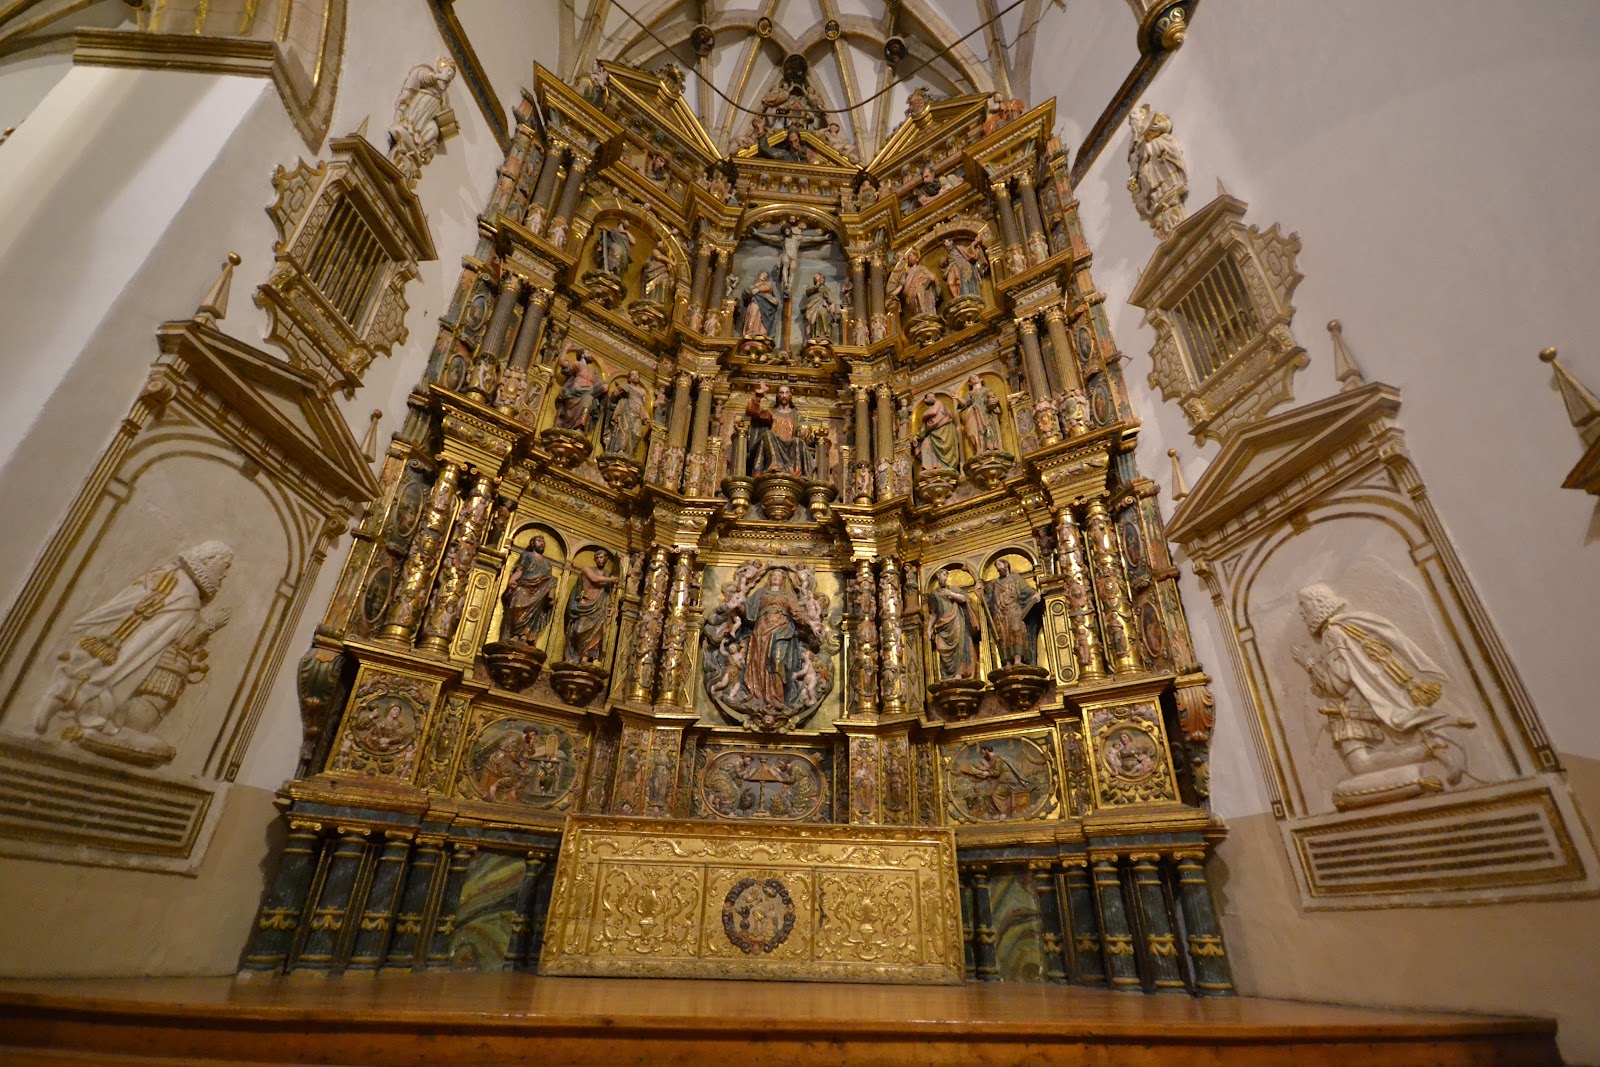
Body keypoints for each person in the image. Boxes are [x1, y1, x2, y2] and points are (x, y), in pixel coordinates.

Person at [35, 540, 233, 738]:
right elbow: (184, 642)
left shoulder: (166, 573)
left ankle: (64, 693)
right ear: (209, 560)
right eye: (224, 567)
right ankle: (72, 698)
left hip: (114, 640)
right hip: (135, 654)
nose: (223, 575)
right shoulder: (188, 601)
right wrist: (210, 624)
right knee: (112, 684)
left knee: (97, 672)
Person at [1291, 582, 1471, 784]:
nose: (1301, 612)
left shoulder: (1331, 634)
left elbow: (1339, 685)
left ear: (1316, 605)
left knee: (1360, 765)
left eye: (1303, 605)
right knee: (1363, 762)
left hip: (1353, 708)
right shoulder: (1346, 624)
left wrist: (1308, 662)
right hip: (1361, 702)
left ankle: (1431, 752)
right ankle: (1432, 756)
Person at [741, 570, 810, 709]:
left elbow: (797, 613)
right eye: (773, 576)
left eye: (779, 576)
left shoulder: (787, 595)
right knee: (759, 661)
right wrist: (737, 608)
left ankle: (777, 697)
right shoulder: (760, 593)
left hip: (780, 629)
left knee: (777, 660)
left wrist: (811, 623)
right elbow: (748, 610)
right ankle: (759, 696)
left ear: (783, 580)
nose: (775, 578)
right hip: (761, 629)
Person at [981, 558, 1042, 667]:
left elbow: (1026, 589)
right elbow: (987, 595)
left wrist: (1035, 594)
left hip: (1013, 609)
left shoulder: (1015, 578)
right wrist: (979, 588)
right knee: (1003, 635)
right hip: (999, 613)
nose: (998, 568)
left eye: (999, 565)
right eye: (996, 567)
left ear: (1006, 565)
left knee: (1016, 630)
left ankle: (1018, 659)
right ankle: (1007, 661)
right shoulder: (994, 583)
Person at [562, 549, 618, 663]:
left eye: (602, 557)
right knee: (578, 629)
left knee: (595, 632)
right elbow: (594, 579)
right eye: (597, 557)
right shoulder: (587, 569)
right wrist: (611, 579)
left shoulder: (607, 574)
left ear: (606, 559)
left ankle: (585, 658)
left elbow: (608, 593)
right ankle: (573, 656)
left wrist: (612, 606)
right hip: (585, 604)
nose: (599, 560)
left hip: (599, 607)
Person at [500, 535, 557, 646]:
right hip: (524, 586)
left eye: (543, 541)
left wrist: (551, 596)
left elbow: (549, 581)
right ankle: (514, 634)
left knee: (533, 614)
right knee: (517, 606)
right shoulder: (526, 555)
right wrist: (511, 581)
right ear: (532, 543)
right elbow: (519, 570)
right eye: (539, 541)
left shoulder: (547, 563)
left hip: (539, 592)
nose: (542, 543)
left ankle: (524, 636)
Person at [746, 384, 812, 477]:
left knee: (797, 441)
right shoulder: (771, 413)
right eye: (781, 393)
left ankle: (796, 470)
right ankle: (776, 464)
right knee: (768, 434)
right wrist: (759, 395)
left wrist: (805, 430)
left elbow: (807, 438)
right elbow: (751, 411)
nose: (784, 395)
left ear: (790, 395)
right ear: (777, 395)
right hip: (774, 444)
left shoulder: (797, 416)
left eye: (786, 393)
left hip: (791, 447)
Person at [926, 570, 981, 681]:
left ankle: (959, 674)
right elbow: (934, 613)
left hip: (957, 621)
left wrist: (950, 594)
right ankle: (947, 675)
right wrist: (929, 628)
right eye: (942, 575)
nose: (944, 577)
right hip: (942, 625)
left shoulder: (953, 589)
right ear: (938, 576)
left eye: (946, 575)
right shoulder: (934, 594)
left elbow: (964, 598)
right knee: (941, 647)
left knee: (960, 646)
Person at [553, 350, 604, 432]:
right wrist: (566, 348)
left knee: (588, 401)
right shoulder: (578, 364)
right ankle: (568, 425)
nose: (590, 355)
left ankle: (580, 427)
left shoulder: (593, 371)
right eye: (588, 353)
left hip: (588, 392)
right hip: (575, 391)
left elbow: (600, 383)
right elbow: (562, 362)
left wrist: (605, 386)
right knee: (570, 412)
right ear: (583, 355)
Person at [602, 371, 648, 456]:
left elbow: (642, 406)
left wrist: (645, 417)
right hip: (626, 410)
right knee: (624, 429)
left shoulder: (643, 391)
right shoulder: (625, 387)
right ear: (629, 378)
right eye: (633, 375)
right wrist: (615, 395)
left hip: (637, 414)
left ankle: (629, 454)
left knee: (637, 433)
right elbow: (612, 401)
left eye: (637, 375)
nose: (635, 376)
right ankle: (620, 450)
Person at [958, 374, 1003, 456]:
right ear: (969, 383)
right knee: (972, 433)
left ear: (981, 379)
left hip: (987, 413)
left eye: (975, 376)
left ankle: (991, 447)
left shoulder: (987, 390)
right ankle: (980, 449)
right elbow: (965, 403)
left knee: (989, 429)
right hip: (975, 414)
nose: (973, 378)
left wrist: (995, 400)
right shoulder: (969, 393)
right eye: (971, 377)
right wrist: (958, 398)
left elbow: (994, 399)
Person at [915, 393, 960, 472]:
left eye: (933, 396)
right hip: (933, 434)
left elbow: (934, 412)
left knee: (944, 450)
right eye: (929, 397)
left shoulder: (938, 403)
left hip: (944, 431)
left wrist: (924, 415)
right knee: (925, 444)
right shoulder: (927, 415)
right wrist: (916, 437)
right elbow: (923, 429)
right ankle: (931, 468)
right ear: (925, 400)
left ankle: (944, 467)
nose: (932, 398)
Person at [896, 249, 939, 317]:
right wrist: (892, 294)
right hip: (911, 292)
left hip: (922, 288)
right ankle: (921, 315)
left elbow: (930, 275)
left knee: (919, 291)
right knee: (917, 295)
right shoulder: (906, 272)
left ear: (917, 259)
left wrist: (931, 278)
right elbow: (901, 285)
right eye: (909, 256)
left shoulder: (922, 268)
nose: (911, 257)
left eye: (913, 255)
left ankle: (924, 313)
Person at [740, 271, 780, 339]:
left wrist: (758, 290)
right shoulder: (754, 284)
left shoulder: (767, 284)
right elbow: (747, 292)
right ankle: (750, 330)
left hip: (763, 304)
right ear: (759, 275)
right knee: (752, 314)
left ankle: (759, 331)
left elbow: (768, 288)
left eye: (766, 276)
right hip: (754, 301)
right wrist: (749, 292)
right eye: (763, 274)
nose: (764, 276)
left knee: (758, 315)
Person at [800, 272, 836, 342]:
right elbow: (808, 292)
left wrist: (828, 298)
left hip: (822, 304)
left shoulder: (826, 288)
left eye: (818, 277)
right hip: (812, 306)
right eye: (816, 277)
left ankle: (825, 333)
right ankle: (814, 335)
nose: (817, 278)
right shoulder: (811, 287)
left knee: (823, 313)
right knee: (813, 320)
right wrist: (818, 285)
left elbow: (831, 299)